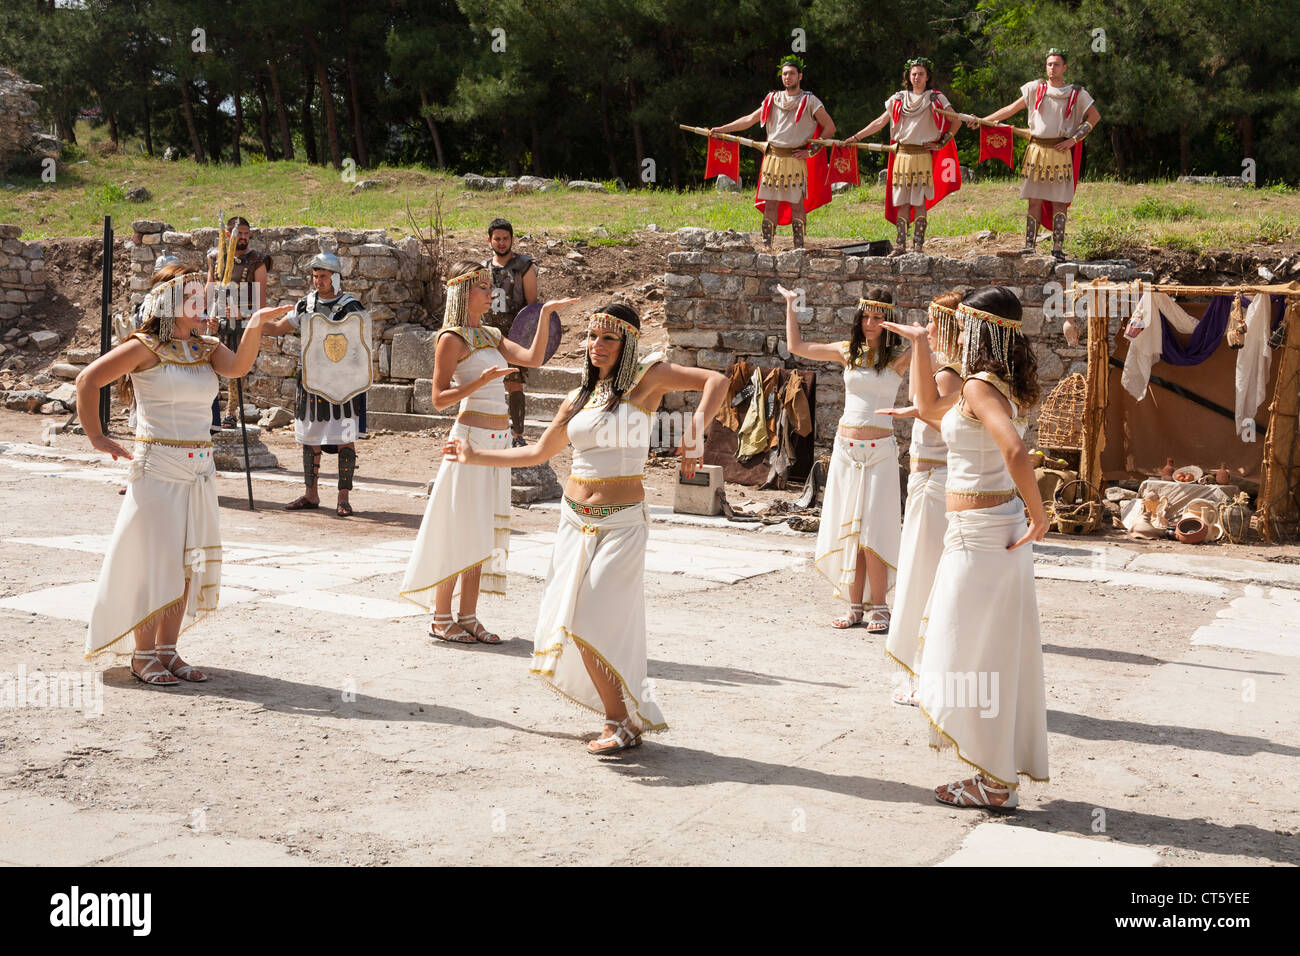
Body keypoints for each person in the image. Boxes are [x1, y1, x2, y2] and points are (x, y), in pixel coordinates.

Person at [444, 303, 727, 753]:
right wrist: (474, 457)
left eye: (609, 338)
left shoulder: (647, 381)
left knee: (595, 613)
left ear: (628, 343)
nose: (597, 346)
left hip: (623, 523)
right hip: (574, 521)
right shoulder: (576, 398)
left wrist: (695, 430)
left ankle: (622, 719)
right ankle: (619, 720)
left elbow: (717, 380)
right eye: (593, 338)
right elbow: (537, 453)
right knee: (574, 619)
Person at [75, 270, 292, 683]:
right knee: (156, 561)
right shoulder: (144, 348)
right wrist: (96, 436)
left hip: (200, 468)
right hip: (158, 466)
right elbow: (88, 381)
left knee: (188, 561)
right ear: (170, 302)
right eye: (194, 297)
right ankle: (142, 655)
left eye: (204, 297)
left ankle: (168, 650)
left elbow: (239, 367)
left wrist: (255, 323)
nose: (203, 304)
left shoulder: (205, 348)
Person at [883, 286, 1049, 810]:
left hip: (981, 534)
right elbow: (929, 407)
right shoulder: (998, 383)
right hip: (986, 529)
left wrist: (1041, 513)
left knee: (966, 654)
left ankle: (993, 780)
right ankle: (995, 777)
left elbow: (1015, 449)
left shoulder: (979, 386)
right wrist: (921, 345)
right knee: (986, 651)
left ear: (981, 328)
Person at [399, 261, 576, 644]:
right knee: (459, 526)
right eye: (480, 286)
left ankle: (469, 614)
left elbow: (531, 358)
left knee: (483, 530)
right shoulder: (452, 339)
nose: (488, 291)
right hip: (468, 442)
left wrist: (544, 313)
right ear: (464, 293)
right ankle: (441, 616)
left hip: (496, 446)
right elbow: (439, 398)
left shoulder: (492, 335)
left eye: (487, 285)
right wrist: (477, 382)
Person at [779, 284, 909, 633]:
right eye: (866, 316)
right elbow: (797, 347)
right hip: (845, 449)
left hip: (880, 452)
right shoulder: (846, 351)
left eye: (879, 317)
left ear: (890, 320)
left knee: (875, 529)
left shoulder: (901, 356)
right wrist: (791, 305)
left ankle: (880, 606)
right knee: (848, 528)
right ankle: (854, 606)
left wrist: (926, 333)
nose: (870, 323)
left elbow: (939, 356)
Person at [878, 293, 964, 705]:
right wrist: (918, 349)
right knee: (918, 572)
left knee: (925, 576)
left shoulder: (949, 372)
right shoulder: (933, 363)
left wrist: (914, 411)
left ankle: (929, 673)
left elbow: (935, 414)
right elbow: (919, 404)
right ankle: (919, 669)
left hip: (936, 479)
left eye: (931, 323)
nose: (925, 328)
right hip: (922, 479)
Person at [259, 253, 372, 517]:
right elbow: (277, 329)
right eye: (315, 276)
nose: (318, 281)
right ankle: (311, 494)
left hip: (343, 384)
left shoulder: (351, 307)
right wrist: (249, 322)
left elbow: (360, 345)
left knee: (345, 439)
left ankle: (343, 498)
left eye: (323, 276)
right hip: (310, 382)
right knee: (310, 439)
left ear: (334, 277)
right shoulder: (305, 305)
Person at [972, 49, 1100, 260]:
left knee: (1059, 202)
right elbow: (1010, 109)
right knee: (1034, 200)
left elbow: (1094, 117)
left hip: (1060, 152)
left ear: (1064, 67)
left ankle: (1057, 248)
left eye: (1057, 64)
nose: (1052, 68)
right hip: (1036, 151)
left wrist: (1074, 139)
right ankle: (1029, 246)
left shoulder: (1077, 93)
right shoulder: (1035, 88)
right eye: (1049, 64)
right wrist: (983, 120)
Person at [710, 55, 836, 249]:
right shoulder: (772, 99)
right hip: (772, 158)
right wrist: (722, 129)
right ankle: (767, 246)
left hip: (794, 158)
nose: (788, 77)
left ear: (800, 76)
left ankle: (799, 248)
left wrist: (811, 151)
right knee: (770, 204)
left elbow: (829, 127)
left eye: (792, 74)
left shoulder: (810, 101)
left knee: (797, 206)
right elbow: (749, 120)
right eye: (785, 74)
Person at [844, 57, 959, 255]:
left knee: (919, 202)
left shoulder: (936, 98)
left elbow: (955, 120)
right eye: (914, 74)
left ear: (927, 76)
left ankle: (918, 246)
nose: (917, 77)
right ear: (908, 76)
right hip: (902, 156)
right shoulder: (898, 99)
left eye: (921, 74)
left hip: (922, 155)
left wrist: (942, 141)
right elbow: (879, 122)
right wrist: (856, 137)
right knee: (902, 202)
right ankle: (900, 246)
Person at [205, 216, 272, 426]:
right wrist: (206, 314)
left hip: (242, 323)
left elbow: (261, 301)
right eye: (238, 233)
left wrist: (242, 314)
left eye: (246, 233)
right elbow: (210, 287)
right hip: (216, 320)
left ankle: (231, 412)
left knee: (236, 368)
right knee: (207, 365)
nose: (243, 237)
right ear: (228, 234)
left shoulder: (257, 261)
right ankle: (208, 411)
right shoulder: (216, 257)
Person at [483, 218, 540, 447]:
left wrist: (525, 337)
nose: (502, 242)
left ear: (511, 239)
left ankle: (517, 434)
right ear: (490, 240)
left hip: (515, 334)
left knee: (514, 384)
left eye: (506, 238)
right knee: (487, 382)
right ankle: (492, 432)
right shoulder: (483, 268)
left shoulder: (524, 267)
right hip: (488, 333)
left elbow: (532, 305)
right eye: (497, 238)